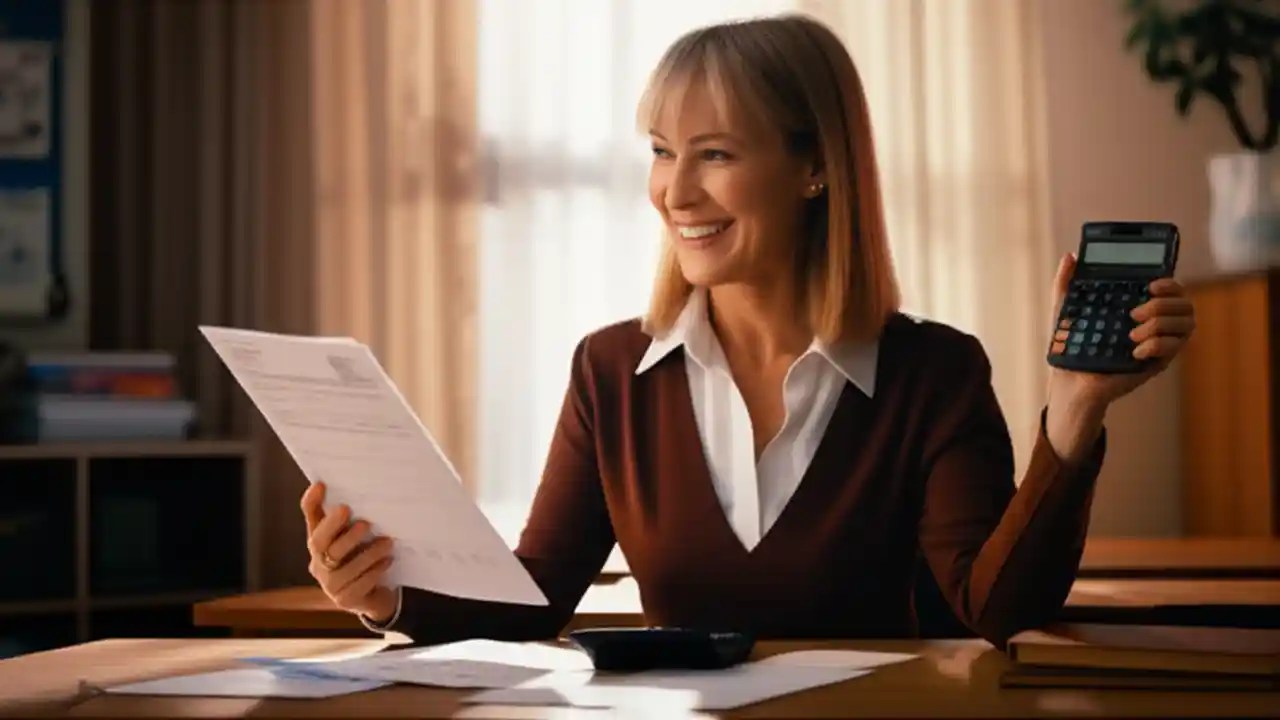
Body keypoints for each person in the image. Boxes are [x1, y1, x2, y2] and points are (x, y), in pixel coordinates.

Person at [299, 14, 1195, 649]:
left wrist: (1074, 411)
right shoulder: (610, 371)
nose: (674, 192)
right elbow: (536, 597)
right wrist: (387, 596)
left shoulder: (934, 373)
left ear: (814, 168)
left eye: (715, 154)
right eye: (660, 150)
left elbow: (993, 610)